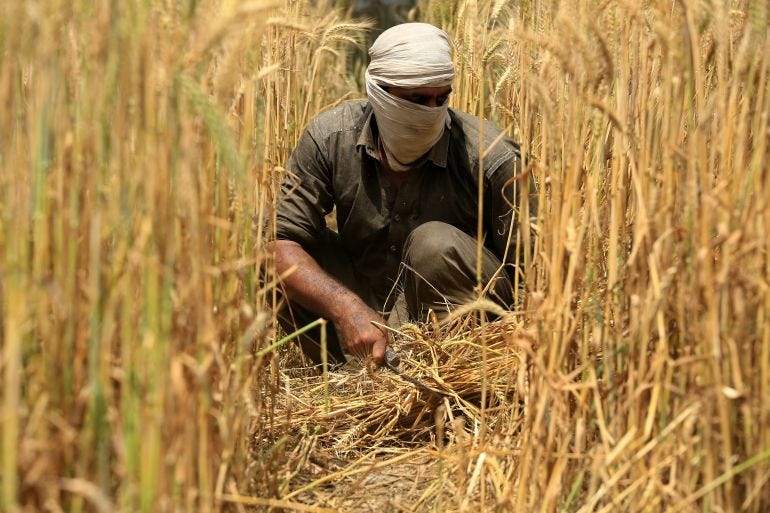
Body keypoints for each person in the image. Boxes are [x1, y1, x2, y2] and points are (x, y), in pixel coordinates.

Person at [268, 23, 531, 366]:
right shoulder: (331, 137)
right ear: (379, 92)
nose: (431, 111)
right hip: (363, 301)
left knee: (433, 244)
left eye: (441, 98)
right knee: (273, 256)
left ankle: (435, 369)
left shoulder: (492, 155)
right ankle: (347, 375)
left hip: (456, 322)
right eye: (417, 99)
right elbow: (277, 243)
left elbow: (532, 278)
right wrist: (346, 307)